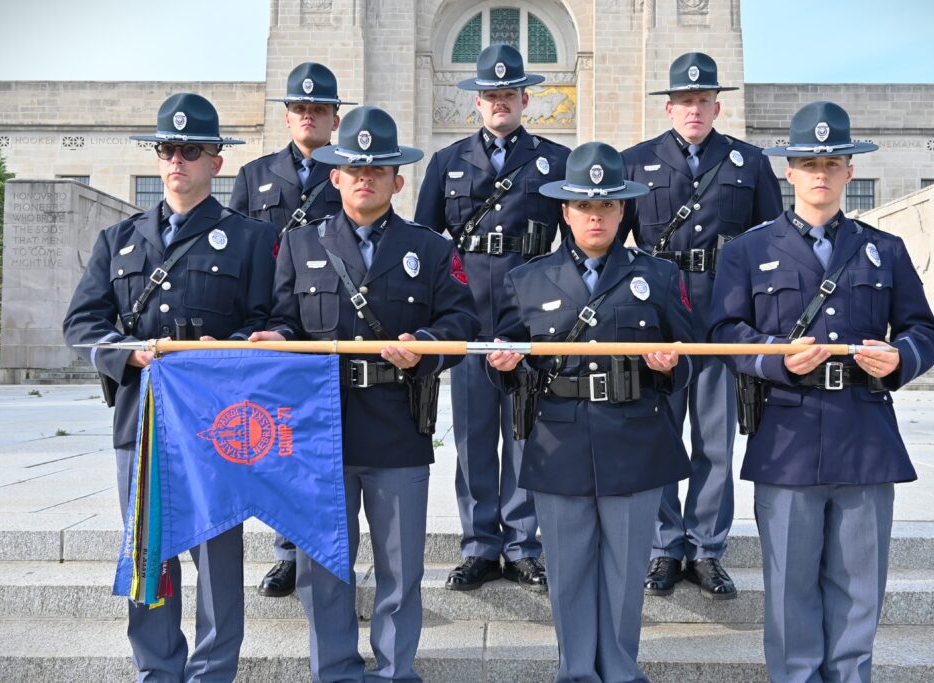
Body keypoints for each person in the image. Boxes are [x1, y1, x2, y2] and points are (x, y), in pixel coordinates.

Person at [708, 101, 934, 682]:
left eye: (832, 162)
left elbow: (924, 331)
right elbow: (724, 333)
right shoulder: (748, 250)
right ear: (788, 171)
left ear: (848, 171)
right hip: (785, 434)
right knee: (790, 591)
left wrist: (899, 359)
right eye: (808, 162)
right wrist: (778, 360)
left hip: (864, 435)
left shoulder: (882, 249)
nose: (819, 173)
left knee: (859, 591)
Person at [250, 105, 479, 682]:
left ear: (398, 180)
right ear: (334, 175)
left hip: (397, 421)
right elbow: (285, 319)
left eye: (378, 168)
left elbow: (461, 321)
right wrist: (273, 337)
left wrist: (427, 343)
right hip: (319, 427)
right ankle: (335, 670)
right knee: (322, 562)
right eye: (354, 167)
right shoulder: (300, 245)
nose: (365, 177)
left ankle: (395, 670)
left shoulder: (428, 248)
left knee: (400, 567)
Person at [62, 92, 278, 681]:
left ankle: (212, 671)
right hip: (143, 422)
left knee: (217, 560)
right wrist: (125, 354)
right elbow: (82, 324)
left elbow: (269, 321)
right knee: (149, 555)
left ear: (216, 161)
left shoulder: (252, 239)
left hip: (216, 425)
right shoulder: (119, 240)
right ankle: (157, 668)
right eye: (166, 149)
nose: (176, 160)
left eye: (190, 149)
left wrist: (231, 351)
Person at [485, 142, 695, 682]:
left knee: (626, 574)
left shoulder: (661, 276)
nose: (595, 215)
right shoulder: (526, 280)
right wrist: (506, 367)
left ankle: (621, 672)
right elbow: (503, 361)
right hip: (560, 439)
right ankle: (576, 672)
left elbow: (688, 359)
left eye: (607, 205)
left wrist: (671, 367)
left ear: (623, 210)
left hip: (635, 436)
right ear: (565, 211)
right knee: (571, 572)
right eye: (584, 206)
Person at [621, 51, 783, 599]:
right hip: (658, 319)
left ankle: (708, 548)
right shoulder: (634, 162)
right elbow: (614, 247)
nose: (694, 109)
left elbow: (769, 246)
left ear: (717, 106)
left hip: (720, 317)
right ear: (669, 108)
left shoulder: (750, 163)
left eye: (703, 100)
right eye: (684, 101)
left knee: (714, 440)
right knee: (660, 435)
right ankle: (666, 547)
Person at [415, 43, 570, 592]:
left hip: (530, 316)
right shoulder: (446, 162)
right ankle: (481, 544)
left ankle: (525, 545)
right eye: (490, 95)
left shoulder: (555, 161)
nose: (500, 101)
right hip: (468, 319)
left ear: (525, 98)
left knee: (526, 431)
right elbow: (429, 244)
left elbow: (574, 247)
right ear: (476, 103)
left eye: (509, 93)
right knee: (475, 437)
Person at [230, 61, 354, 598]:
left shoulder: (352, 171)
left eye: (319, 109)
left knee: (330, 446)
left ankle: (330, 547)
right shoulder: (254, 175)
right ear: (286, 117)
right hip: (271, 322)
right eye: (300, 109)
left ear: (334, 118)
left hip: (330, 323)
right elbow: (234, 242)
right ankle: (286, 554)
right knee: (279, 442)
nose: (309, 116)